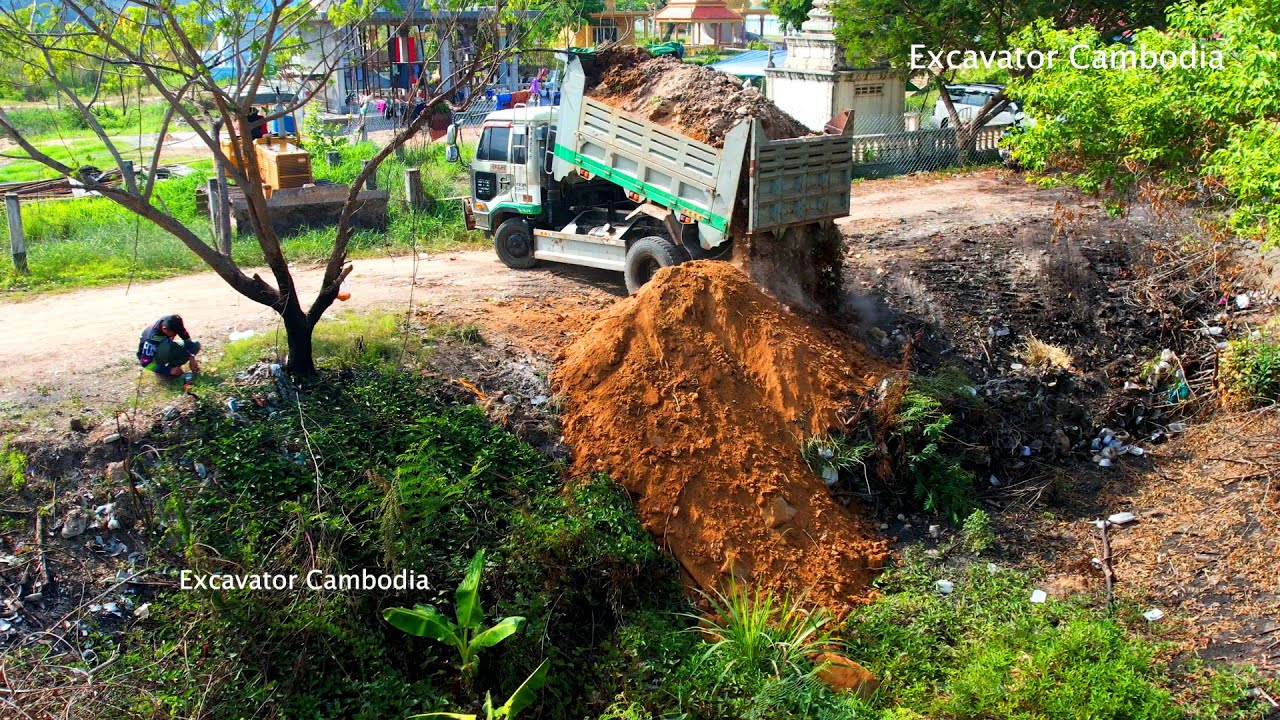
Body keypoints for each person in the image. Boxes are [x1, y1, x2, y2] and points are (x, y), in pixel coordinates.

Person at [137, 315, 202, 380]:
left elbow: (188, 341)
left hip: (166, 347)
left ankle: (173, 367)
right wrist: (168, 371)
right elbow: (145, 363)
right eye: (174, 333)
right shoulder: (152, 338)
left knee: (195, 345)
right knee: (165, 346)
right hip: (151, 357)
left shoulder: (175, 323)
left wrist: (192, 357)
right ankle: (163, 372)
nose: (175, 335)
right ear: (164, 329)